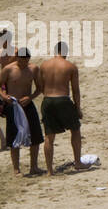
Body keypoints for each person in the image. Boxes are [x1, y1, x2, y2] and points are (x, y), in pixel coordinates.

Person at [37, 43, 91, 175]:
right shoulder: (70, 66)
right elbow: (75, 90)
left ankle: (50, 170)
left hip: (48, 100)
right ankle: (78, 162)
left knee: (49, 136)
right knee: (75, 130)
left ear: (54, 51)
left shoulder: (44, 65)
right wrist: (78, 108)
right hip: (63, 99)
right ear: (66, 52)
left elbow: (40, 86)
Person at [2, 47, 44, 175]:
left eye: (26, 61)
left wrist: (30, 97)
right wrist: (4, 97)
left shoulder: (33, 69)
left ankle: (34, 167)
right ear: (17, 58)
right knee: (14, 137)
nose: (23, 63)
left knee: (35, 135)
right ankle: (16, 169)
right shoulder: (9, 69)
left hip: (27, 104)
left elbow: (39, 88)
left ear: (29, 59)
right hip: (13, 105)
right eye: (21, 60)